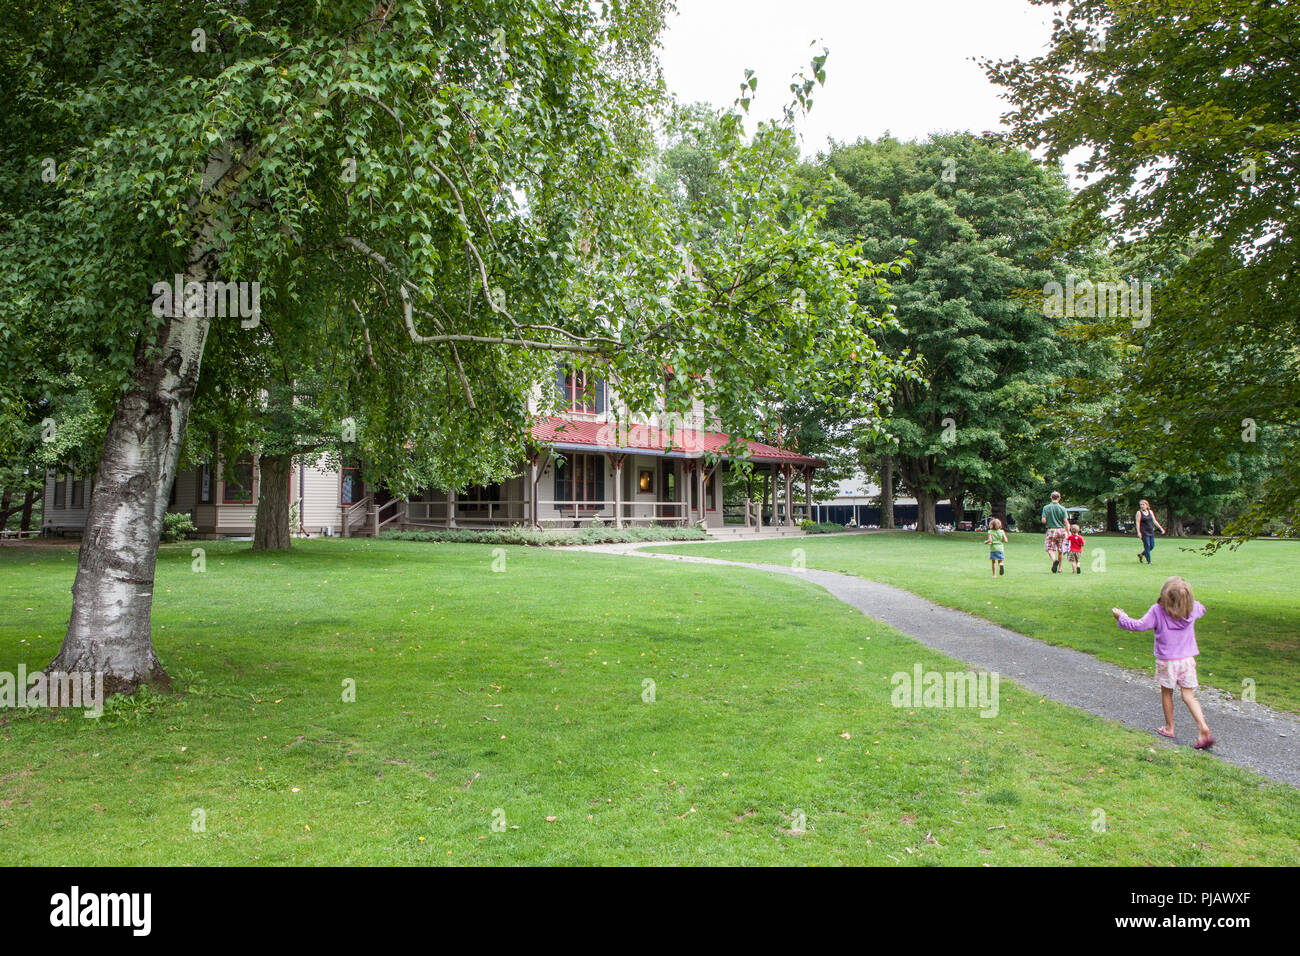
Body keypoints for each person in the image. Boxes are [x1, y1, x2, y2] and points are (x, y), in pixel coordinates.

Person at [1112, 576, 1215, 749]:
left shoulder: (1157, 611)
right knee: (1188, 696)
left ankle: (1169, 727)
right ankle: (1202, 726)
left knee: (1167, 693)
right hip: (1187, 661)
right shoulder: (1193, 608)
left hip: (1167, 662)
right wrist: (1188, 603)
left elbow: (1138, 626)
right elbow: (1202, 609)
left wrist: (1121, 617)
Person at [1040, 490, 1070, 573]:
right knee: (1061, 550)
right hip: (1061, 530)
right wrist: (1068, 532)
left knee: (1049, 548)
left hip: (1052, 530)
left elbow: (1043, 520)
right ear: (1059, 498)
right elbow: (1066, 522)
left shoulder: (1046, 508)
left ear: (1051, 497)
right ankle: (1060, 569)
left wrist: (1049, 520)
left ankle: (1054, 560)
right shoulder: (1063, 508)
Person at [1135, 499, 1165, 564]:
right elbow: (1137, 523)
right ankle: (1149, 561)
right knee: (1147, 546)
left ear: (1147, 505)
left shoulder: (1150, 512)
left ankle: (1141, 554)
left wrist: (1161, 528)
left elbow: (1154, 521)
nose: (1142, 506)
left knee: (1152, 546)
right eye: (1141, 505)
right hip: (1144, 532)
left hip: (1150, 531)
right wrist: (1138, 532)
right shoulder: (1139, 513)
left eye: (1143, 504)